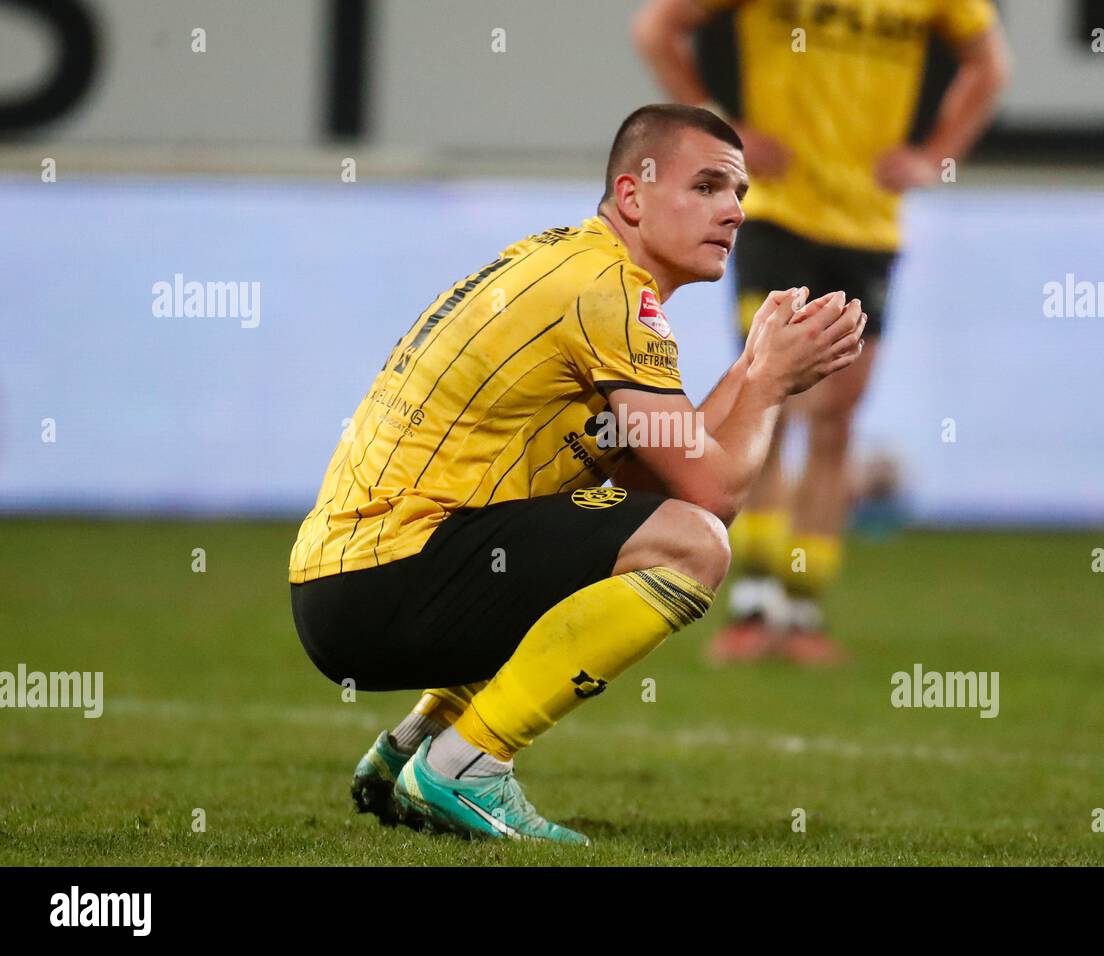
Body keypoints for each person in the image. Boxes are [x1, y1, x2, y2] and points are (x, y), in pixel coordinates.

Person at [288, 104, 867, 844]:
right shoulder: (609, 294)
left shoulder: (575, 268)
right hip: (388, 576)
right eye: (708, 187)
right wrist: (768, 386)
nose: (733, 211)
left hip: (353, 582)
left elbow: (658, 480)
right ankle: (465, 767)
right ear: (633, 195)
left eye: (740, 194)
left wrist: (752, 368)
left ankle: (412, 744)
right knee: (695, 547)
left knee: (620, 531)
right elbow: (714, 499)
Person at [633, 0, 1009, 664]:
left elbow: (990, 64)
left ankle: (802, 615)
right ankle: (754, 605)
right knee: (769, 404)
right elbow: (657, 28)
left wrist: (937, 156)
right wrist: (723, 133)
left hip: (867, 224)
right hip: (778, 214)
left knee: (835, 421)